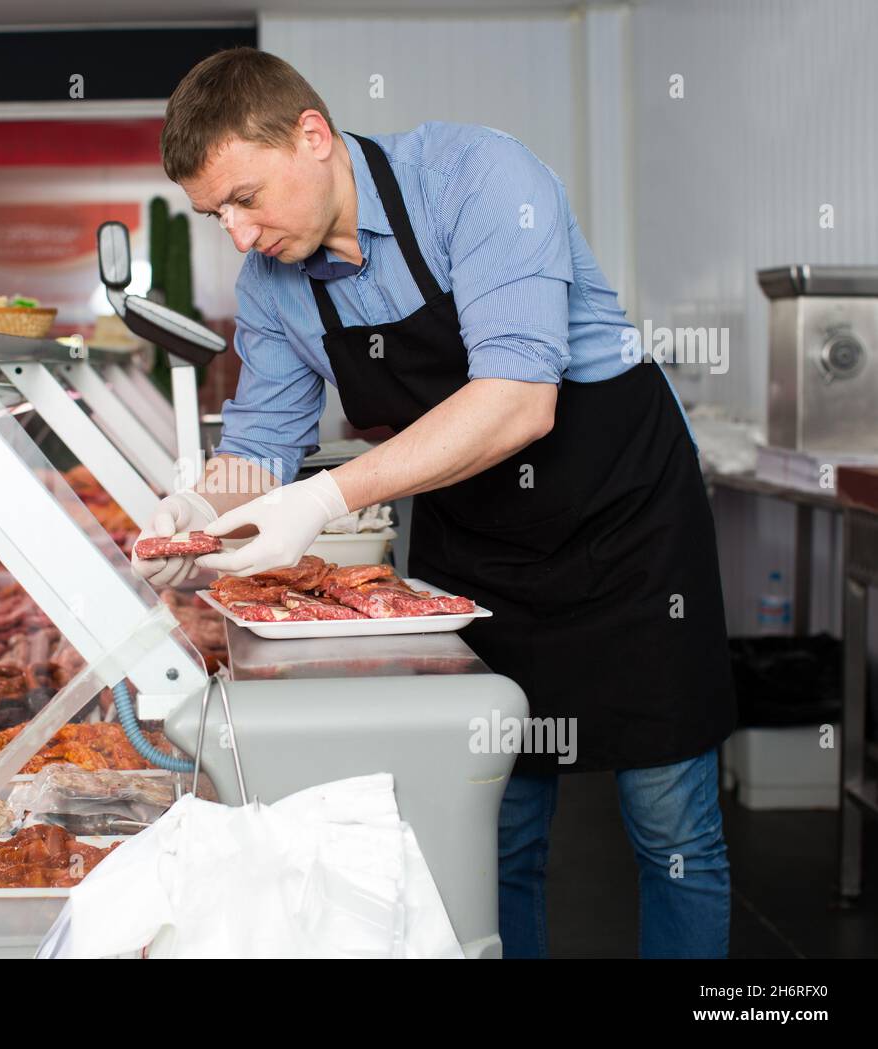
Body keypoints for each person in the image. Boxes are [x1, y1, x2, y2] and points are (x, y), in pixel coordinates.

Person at [133, 47, 735, 958]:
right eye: (215, 213)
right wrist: (196, 512)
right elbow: (259, 450)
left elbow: (519, 401)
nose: (239, 236)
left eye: (247, 197)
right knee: (498, 824)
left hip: (625, 518)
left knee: (669, 824)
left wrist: (325, 496)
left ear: (313, 135)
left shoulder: (476, 179)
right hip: (477, 536)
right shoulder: (272, 286)